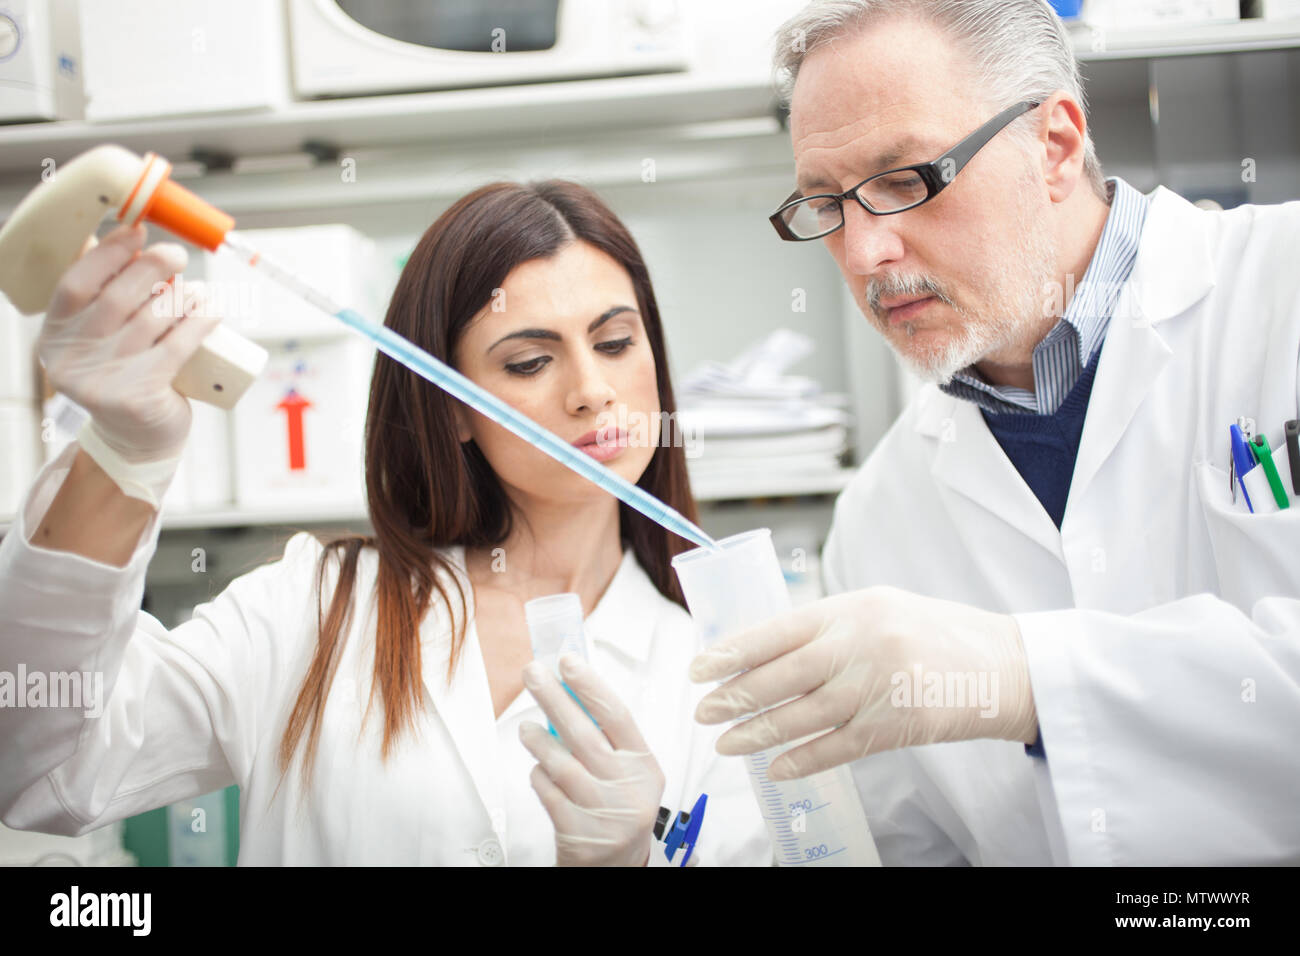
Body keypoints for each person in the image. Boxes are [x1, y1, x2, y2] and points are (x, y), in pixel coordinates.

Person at [0, 180, 770, 866]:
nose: (593, 390)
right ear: (452, 407)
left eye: (614, 342)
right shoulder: (315, 609)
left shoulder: (723, 673)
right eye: (529, 362)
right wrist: (122, 454)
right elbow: (43, 774)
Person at [690, 0, 1300, 865]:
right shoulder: (878, 516)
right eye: (825, 205)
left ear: (1053, 146)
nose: (864, 254)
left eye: (904, 179)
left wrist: (1021, 674)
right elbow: (904, 845)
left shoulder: (1283, 288)